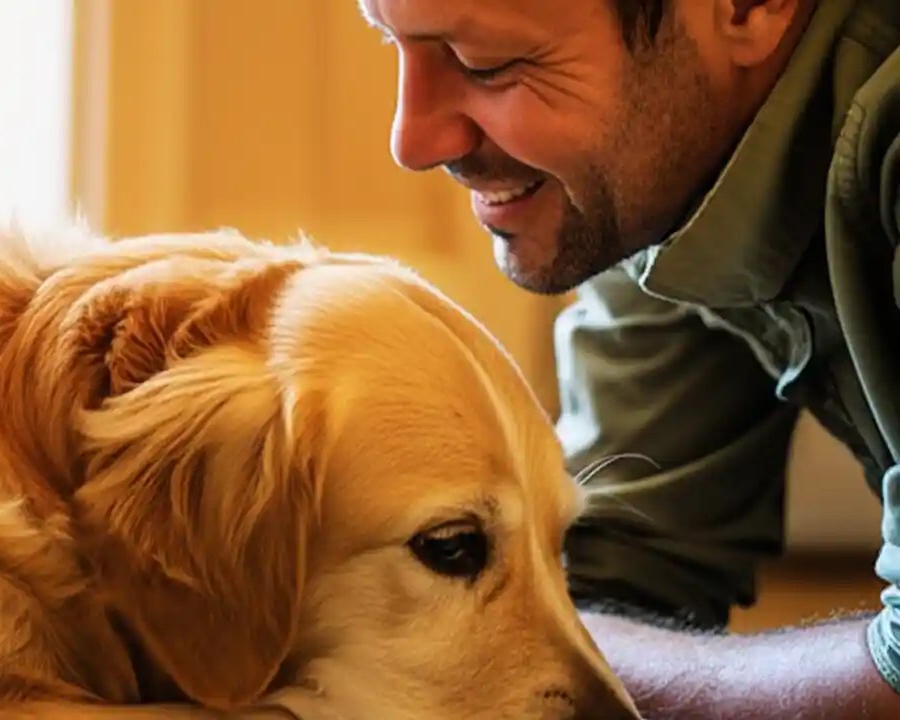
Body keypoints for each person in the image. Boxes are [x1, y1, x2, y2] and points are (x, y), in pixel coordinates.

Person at [358, 0, 900, 716]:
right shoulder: (660, 169)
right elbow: (614, 576)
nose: (413, 139)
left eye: (487, 64)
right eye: (392, 43)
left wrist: (521, 661)